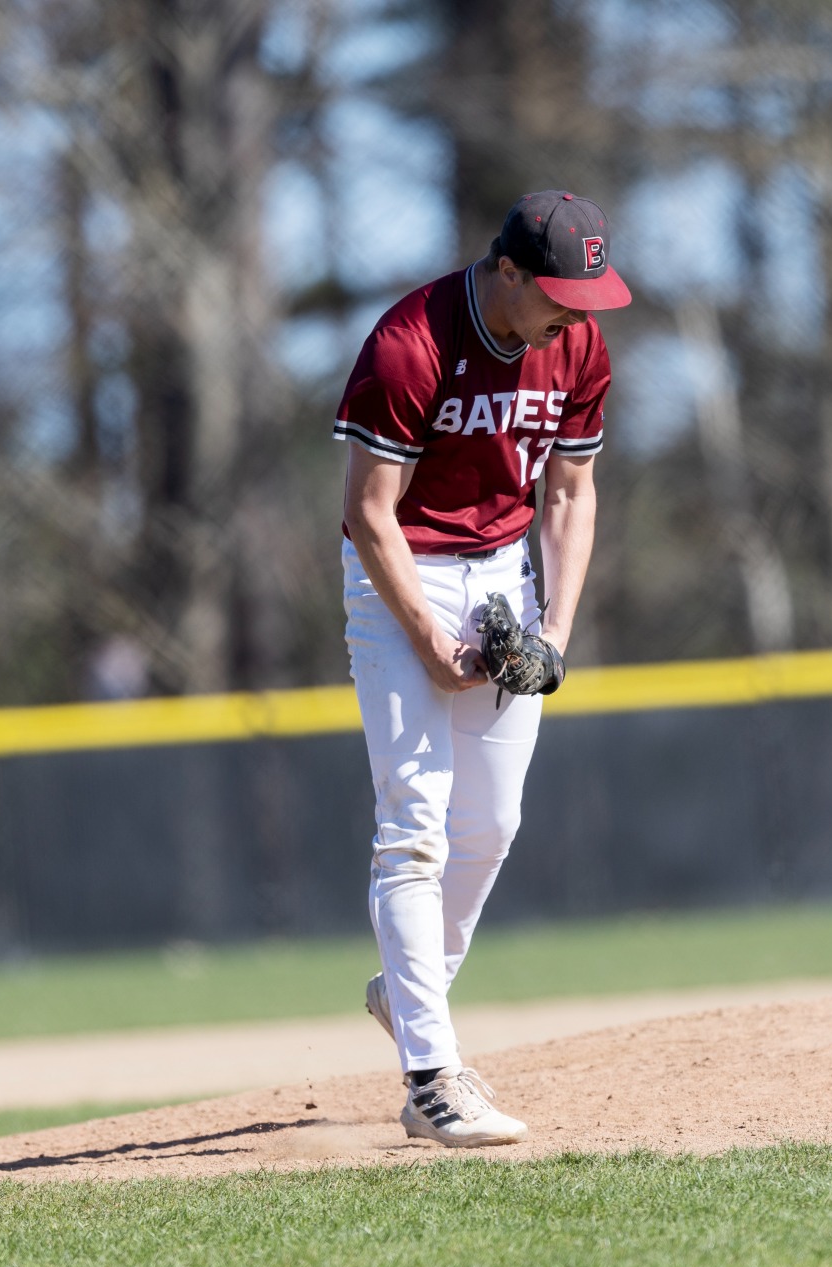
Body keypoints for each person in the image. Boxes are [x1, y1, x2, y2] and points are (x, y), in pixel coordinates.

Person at [334, 192, 631, 1147]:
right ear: (505, 271)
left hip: (504, 572)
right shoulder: (410, 344)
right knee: (413, 823)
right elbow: (370, 511)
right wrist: (427, 641)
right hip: (402, 571)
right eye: (557, 292)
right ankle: (431, 1080)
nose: (574, 312)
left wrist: (555, 632)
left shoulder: (579, 348)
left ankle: (408, 992)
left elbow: (572, 491)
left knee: (492, 822)